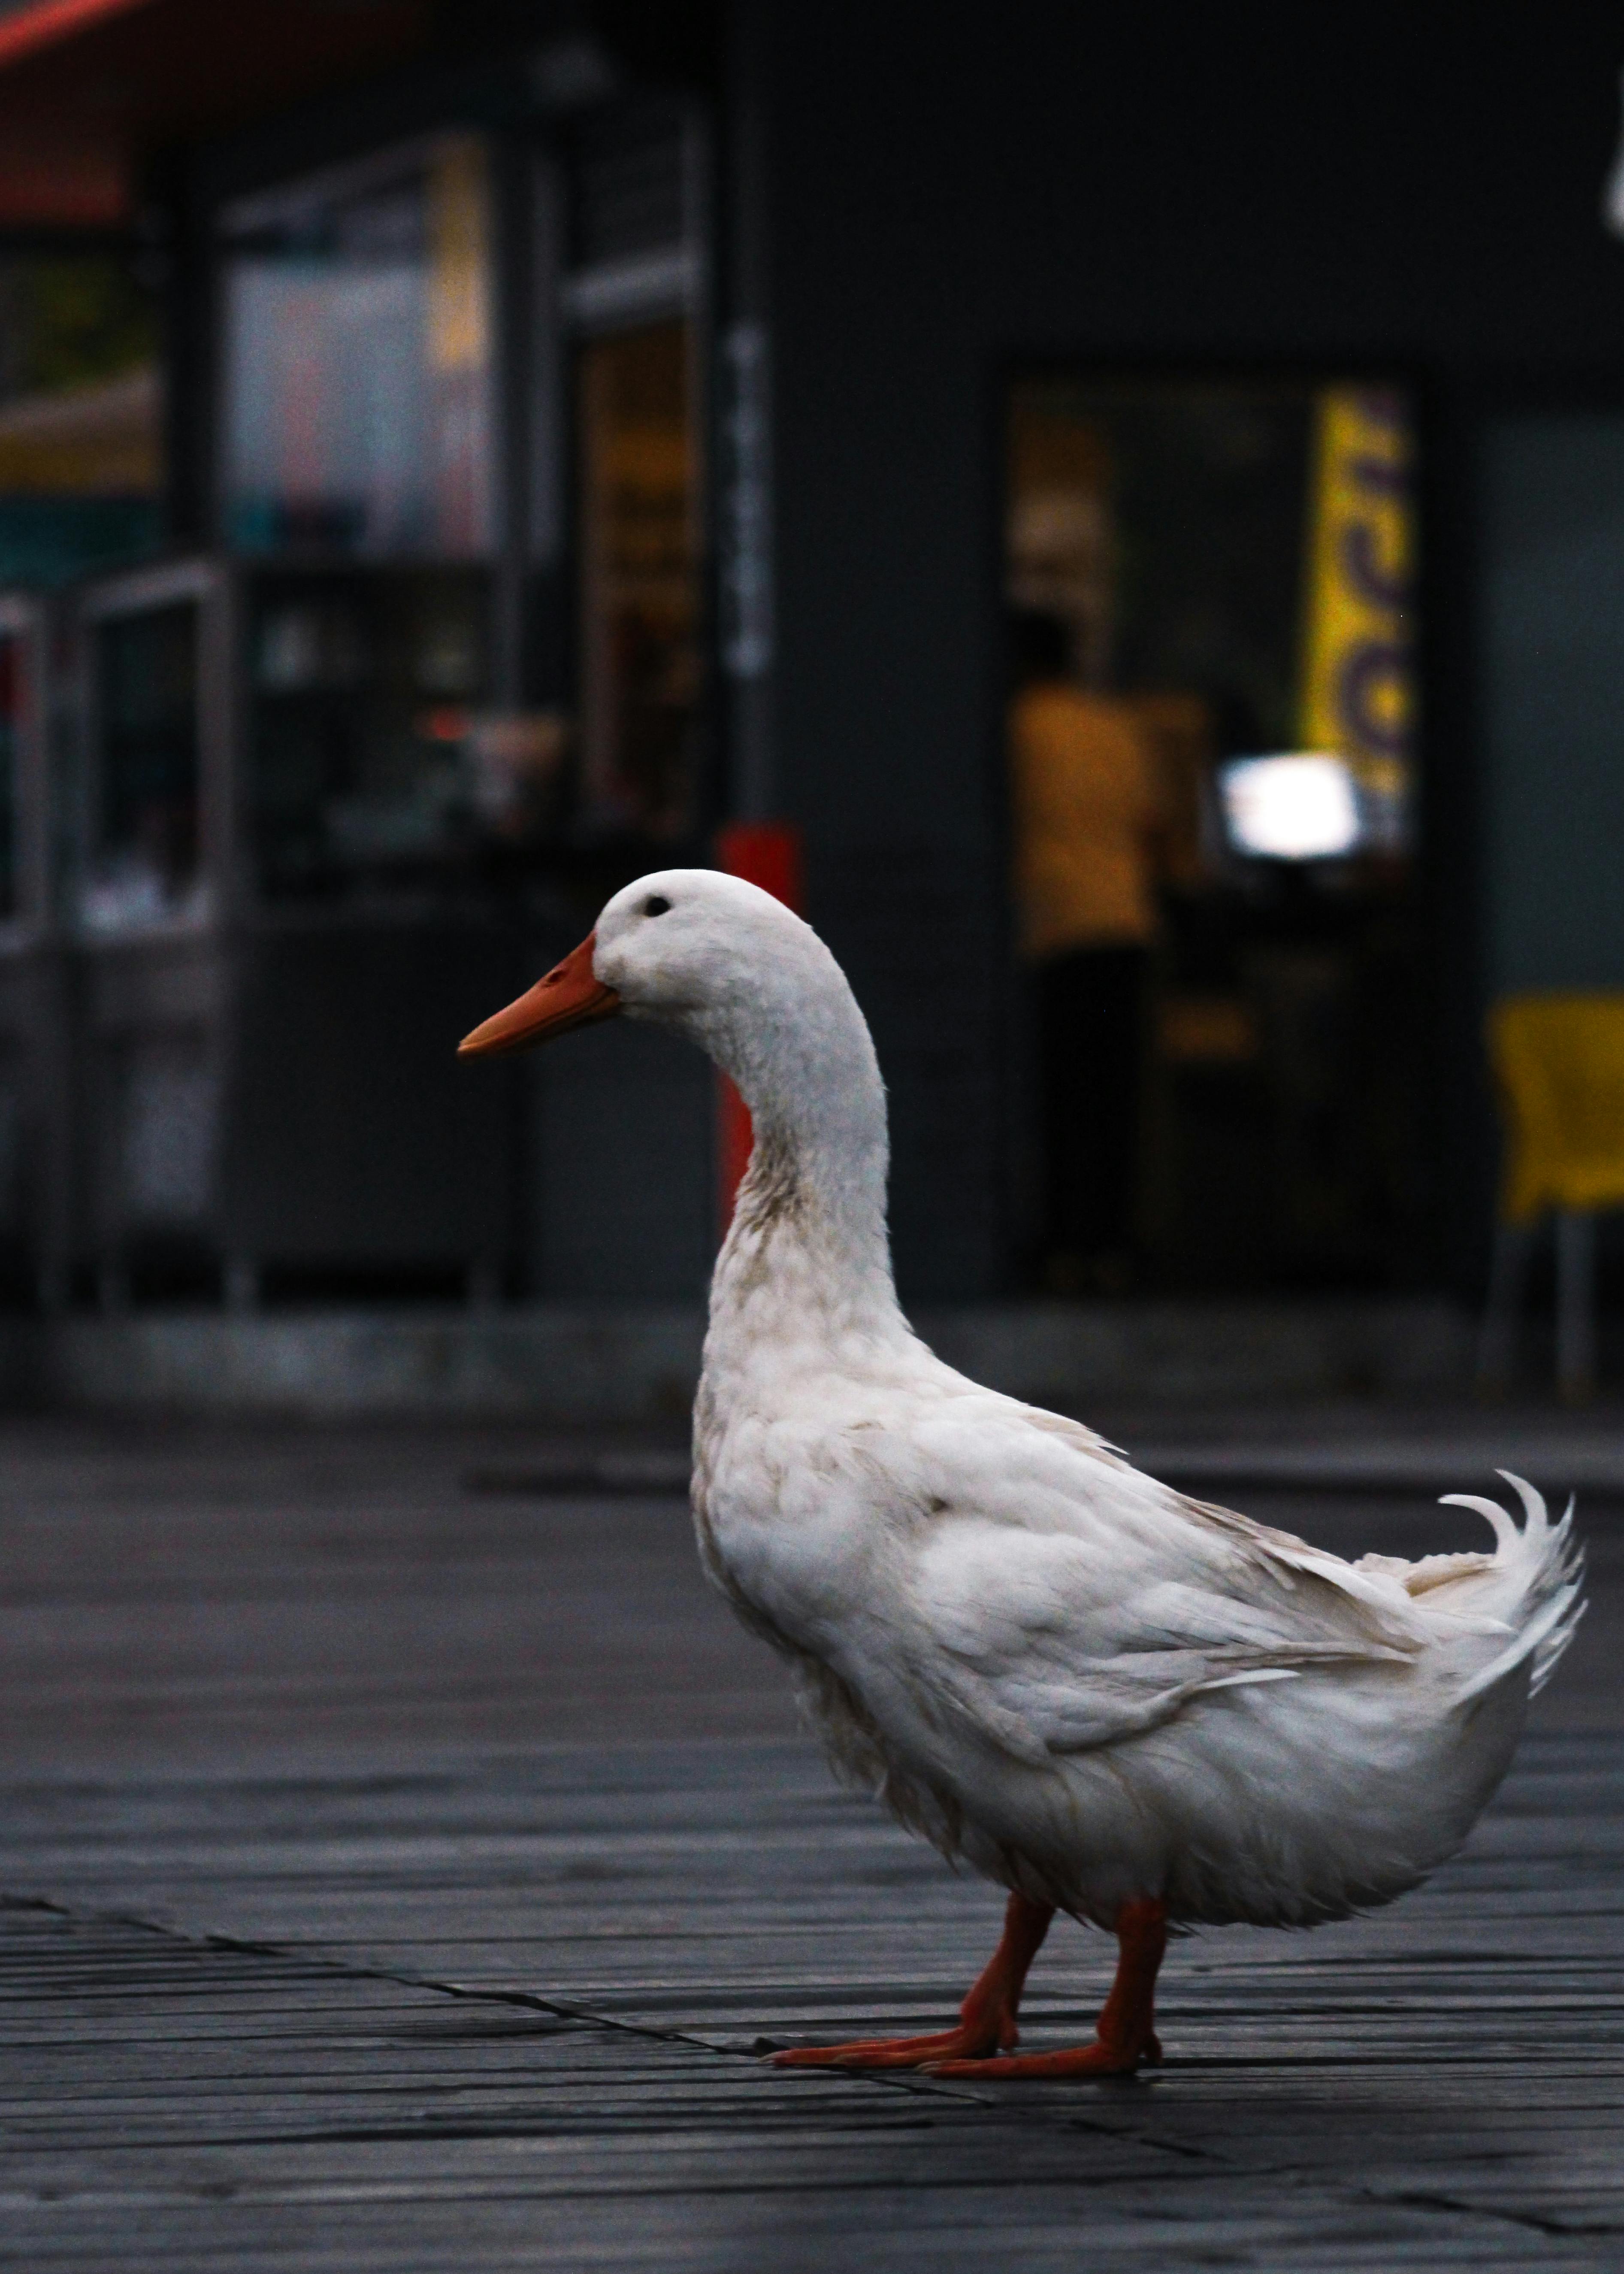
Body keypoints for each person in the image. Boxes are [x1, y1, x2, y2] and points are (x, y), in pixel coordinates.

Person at [1007, 609, 1162, 1292]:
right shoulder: (1115, 727)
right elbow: (1155, 827)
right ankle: (1112, 1241)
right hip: (1126, 925)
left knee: (1060, 1098)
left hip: (1055, 931)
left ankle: (1065, 1244)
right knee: (1114, 1098)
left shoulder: (1018, 730)